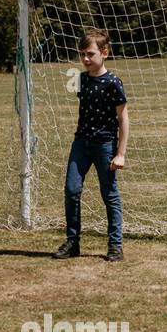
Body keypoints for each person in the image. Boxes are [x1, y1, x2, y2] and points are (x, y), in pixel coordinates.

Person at [52, 28, 128, 262]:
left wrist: (120, 153)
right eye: (82, 54)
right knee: (72, 190)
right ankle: (72, 242)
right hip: (80, 145)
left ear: (104, 52)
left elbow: (123, 118)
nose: (85, 59)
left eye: (90, 54)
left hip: (105, 146)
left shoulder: (114, 82)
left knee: (110, 195)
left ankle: (115, 245)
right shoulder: (81, 80)